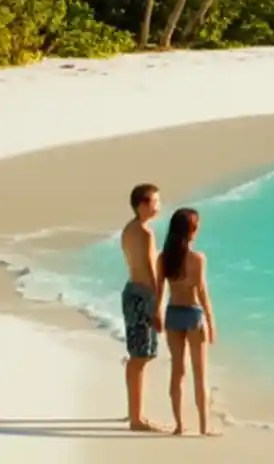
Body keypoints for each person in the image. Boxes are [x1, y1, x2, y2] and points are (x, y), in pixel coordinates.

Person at [155, 207, 218, 436]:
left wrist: (157, 314)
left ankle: (179, 425)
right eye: (197, 225)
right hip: (193, 315)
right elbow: (202, 293)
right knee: (200, 374)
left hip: (173, 313)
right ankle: (204, 426)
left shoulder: (164, 258)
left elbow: (159, 289)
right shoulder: (197, 259)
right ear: (191, 229)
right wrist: (211, 322)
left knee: (177, 371)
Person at [120, 183, 164, 432]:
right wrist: (157, 306)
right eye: (155, 202)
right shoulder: (145, 233)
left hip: (130, 290)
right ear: (142, 204)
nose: (158, 206)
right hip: (142, 293)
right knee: (141, 356)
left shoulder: (128, 229)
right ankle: (136, 418)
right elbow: (150, 270)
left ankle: (133, 412)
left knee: (137, 355)